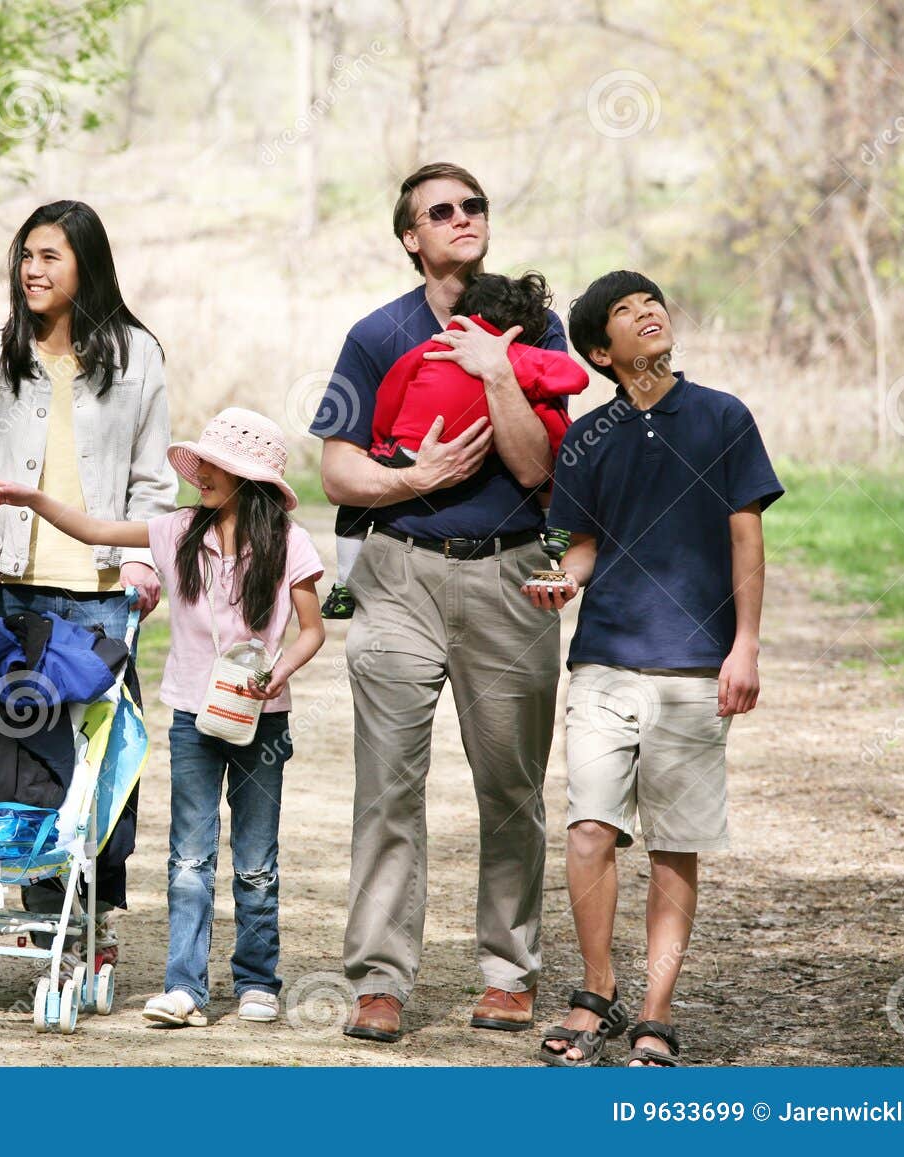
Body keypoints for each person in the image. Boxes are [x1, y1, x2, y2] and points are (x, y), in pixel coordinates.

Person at [314, 162, 569, 1043]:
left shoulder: (537, 324)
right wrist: (411, 477)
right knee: (387, 786)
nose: (464, 218)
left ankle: (509, 971)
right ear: (411, 237)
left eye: (475, 205)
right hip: (398, 573)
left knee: (511, 786)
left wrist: (498, 371)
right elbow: (335, 465)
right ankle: (379, 981)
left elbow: (540, 468)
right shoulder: (375, 333)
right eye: (442, 211)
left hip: (510, 574)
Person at [0, 407, 325, 1028]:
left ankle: (256, 981)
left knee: (255, 858)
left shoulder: (291, 544)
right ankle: (184, 985)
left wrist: (279, 671)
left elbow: (312, 631)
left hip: (260, 719)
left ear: (248, 479)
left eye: (215, 468)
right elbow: (92, 529)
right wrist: (32, 498)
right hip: (194, 719)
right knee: (189, 855)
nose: (202, 478)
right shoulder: (179, 531)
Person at [526, 270, 782, 1067]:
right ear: (601, 350)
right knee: (589, 829)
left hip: (695, 667)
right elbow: (585, 543)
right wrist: (567, 581)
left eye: (652, 302)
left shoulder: (723, 417)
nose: (648, 314)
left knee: (675, 843)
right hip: (604, 657)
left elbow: (747, 536)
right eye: (625, 313)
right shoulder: (589, 438)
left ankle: (654, 1014)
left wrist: (744, 646)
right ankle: (596, 990)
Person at [0, 199, 179, 962]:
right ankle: (48, 907)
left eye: (50, 256)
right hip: (16, 584)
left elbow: (153, 476)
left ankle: (95, 912)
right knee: (28, 747)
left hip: (104, 589)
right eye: (25, 256)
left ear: (87, 266)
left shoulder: (138, 355)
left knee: (106, 750)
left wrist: (145, 559)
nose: (32, 270)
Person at [327, 271, 587, 596]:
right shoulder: (520, 352)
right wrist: (421, 478)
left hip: (406, 452)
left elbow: (392, 391)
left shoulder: (431, 347)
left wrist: (386, 441)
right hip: (403, 565)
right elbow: (573, 378)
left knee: (354, 511)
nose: (462, 220)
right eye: (440, 215)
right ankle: (558, 529)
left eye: (475, 213)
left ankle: (342, 587)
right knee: (556, 428)